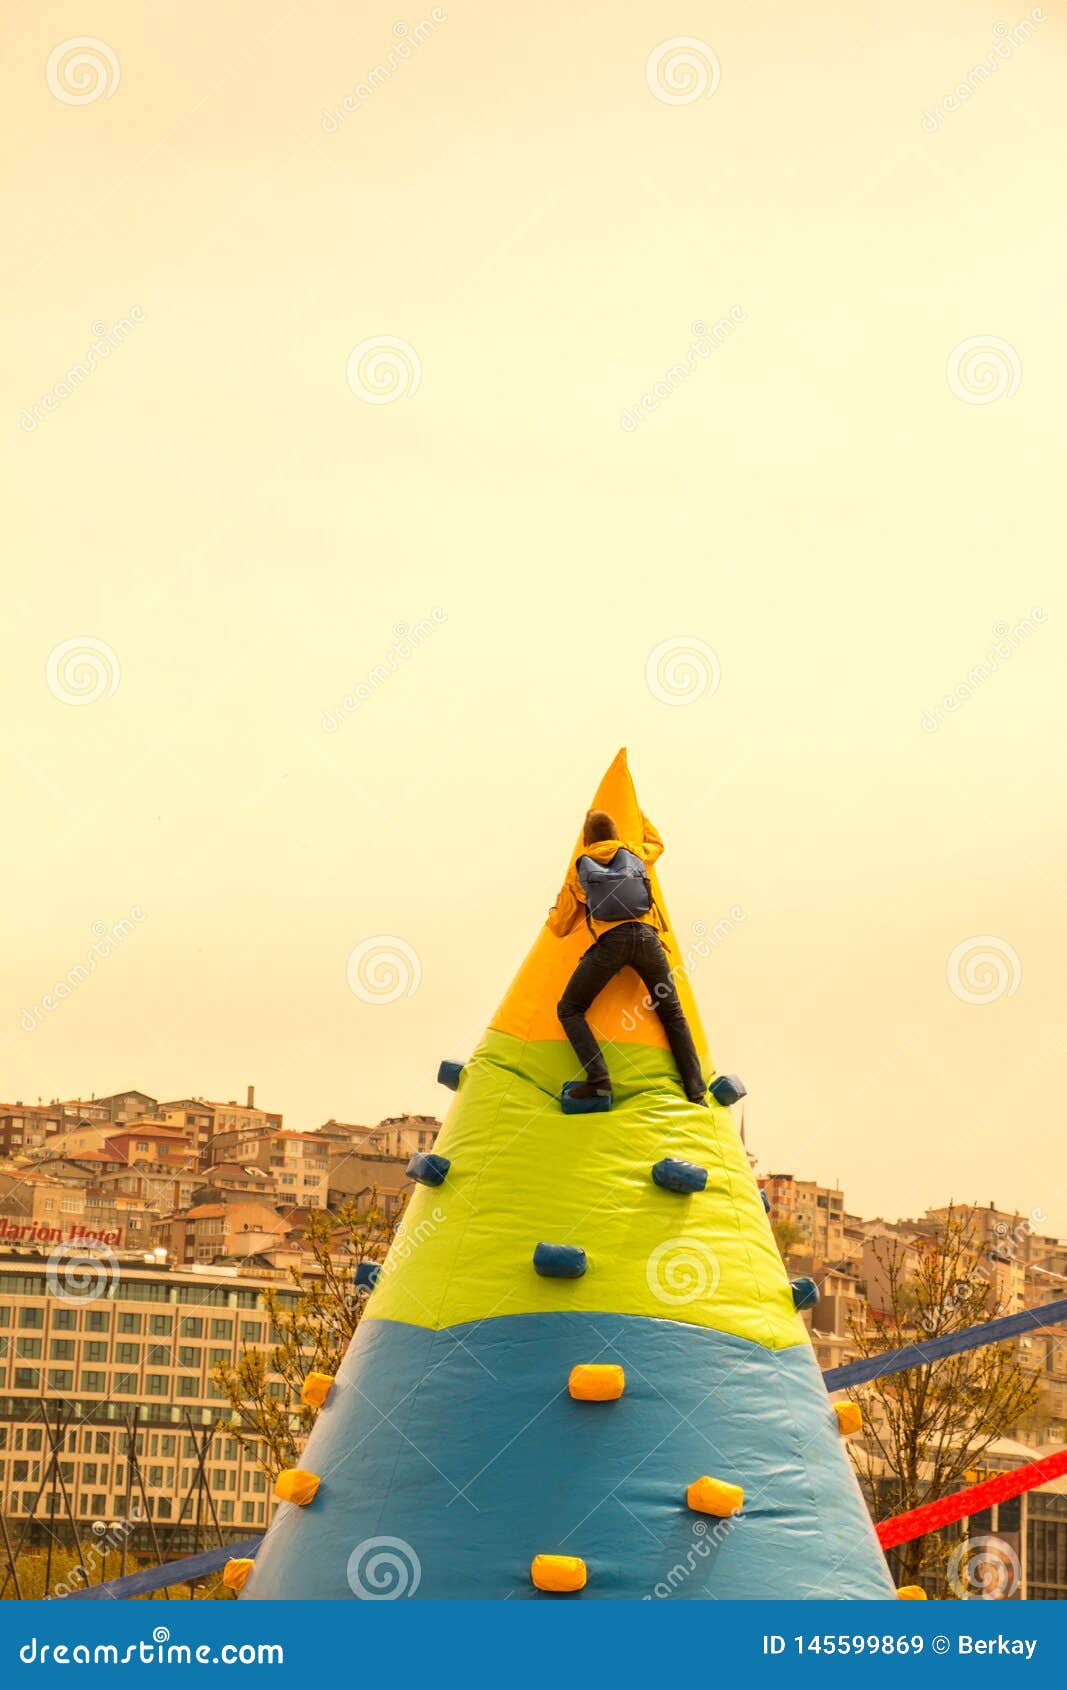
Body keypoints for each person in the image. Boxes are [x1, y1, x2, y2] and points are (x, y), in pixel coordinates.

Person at [547, 807, 707, 1105]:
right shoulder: (633, 852)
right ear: (615, 834)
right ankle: (696, 1093)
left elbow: (560, 925)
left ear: (586, 840)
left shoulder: (581, 865)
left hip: (612, 944)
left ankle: (599, 1080)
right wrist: (637, 812)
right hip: (649, 940)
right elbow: (658, 845)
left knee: (570, 1008)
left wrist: (553, 913)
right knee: (672, 1014)